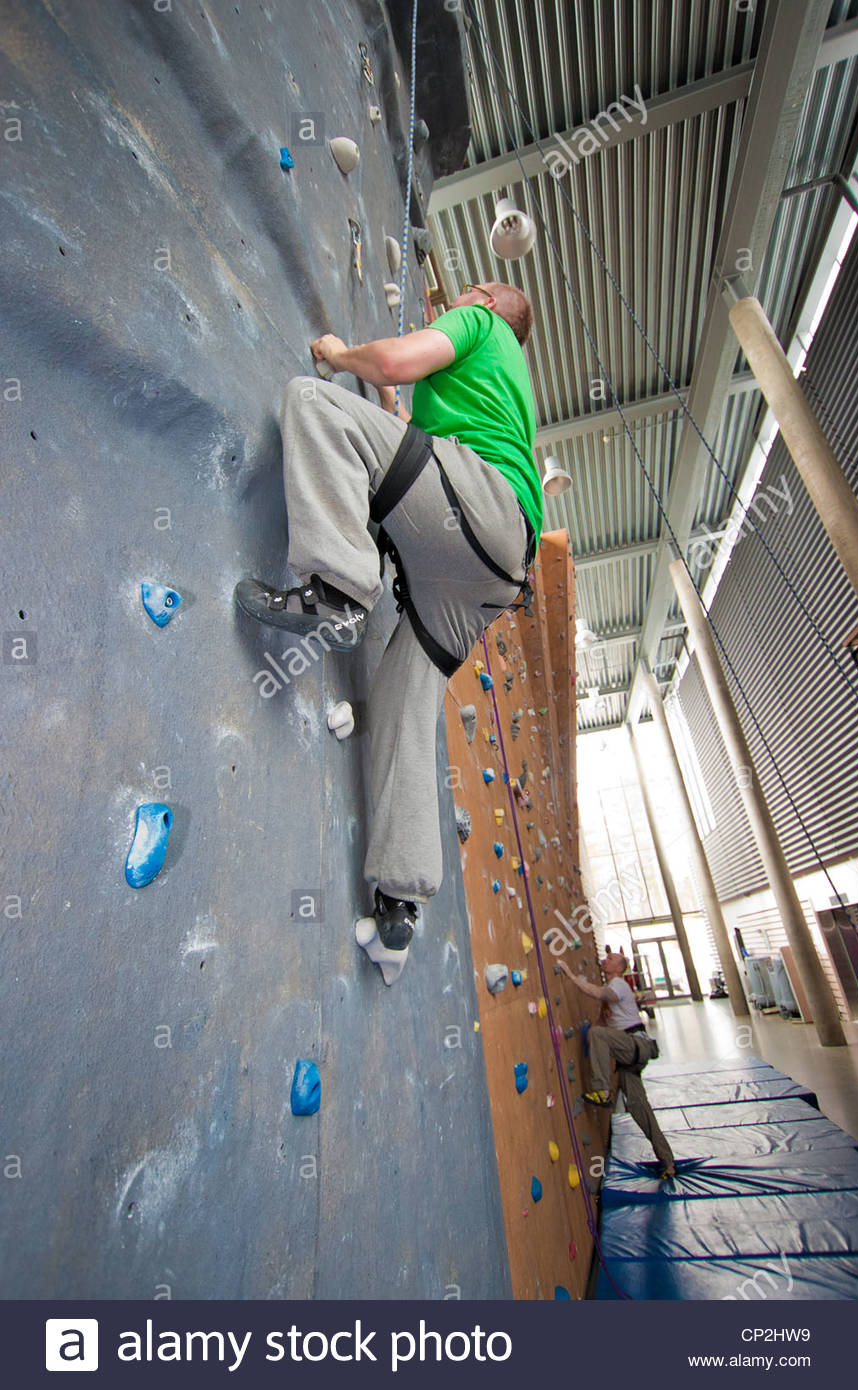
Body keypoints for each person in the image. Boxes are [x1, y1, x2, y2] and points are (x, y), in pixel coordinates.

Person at [234, 282, 540, 984]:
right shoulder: (498, 384)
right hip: (492, 569)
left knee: (310, 403)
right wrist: (390, 409)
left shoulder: (478, 327)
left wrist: (342, 356)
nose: (466, 293)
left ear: (492, 305)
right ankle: (399, 907)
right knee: (405, 701)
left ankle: (340, 591)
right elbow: (409, 435)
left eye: (478, 290)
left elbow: (400, 361)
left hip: (474, 514)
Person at [559, 951, 676, 1180]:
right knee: (637, 1106)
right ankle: (668, 1161)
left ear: (618, 968)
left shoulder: (619, 984)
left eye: (610, 958)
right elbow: (600, 1029)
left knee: (598, 1034)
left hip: (635, 1044)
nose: (605, 959)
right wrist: (601, 1021)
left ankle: (603, 1091)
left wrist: (572, 977)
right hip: (628, 1055)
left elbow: (602, 997)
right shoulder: (611, 993)